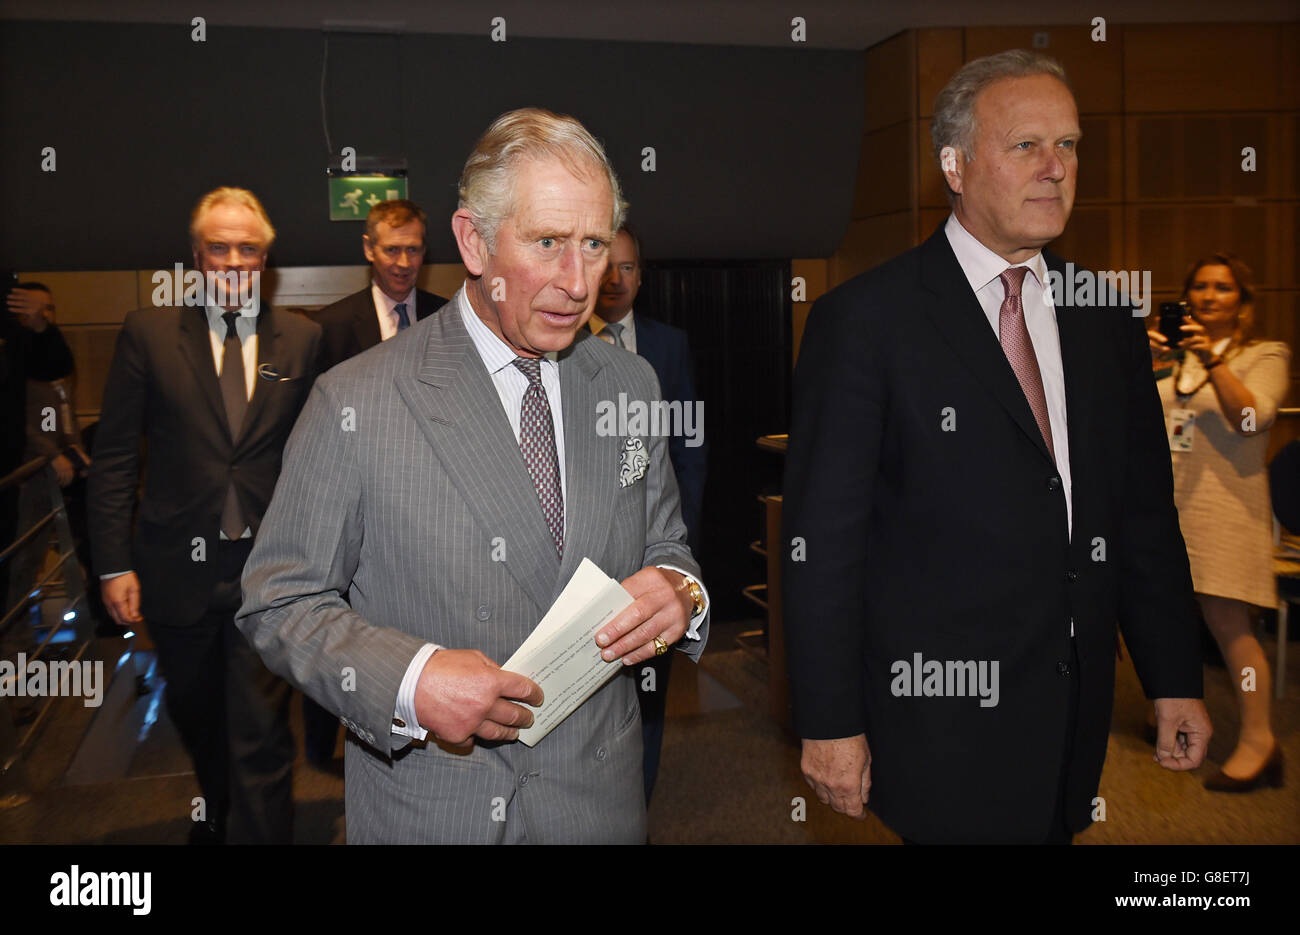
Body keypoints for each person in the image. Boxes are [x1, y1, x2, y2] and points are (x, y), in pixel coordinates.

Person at [236, 108, 709, 844]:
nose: (578, 281)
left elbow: (668, 544)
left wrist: (683, 592)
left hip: (600, 806)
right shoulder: (356, 400)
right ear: (473, 241)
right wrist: (409, 679)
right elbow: (277, 601)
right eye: (548, 242)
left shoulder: (631, 385)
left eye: (594, 245)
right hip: (436, 812)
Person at [783, 50, 1212, 845]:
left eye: (1071, 145)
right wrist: (830, 719)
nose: (1057, 168)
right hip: (937, 720)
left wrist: (1174, 676)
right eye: (1027, 146)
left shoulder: (1104, 318)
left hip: (1074, 717)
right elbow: (823, 546)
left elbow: (1143, 518)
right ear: (955, 164)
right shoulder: (867, 323)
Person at [88, 188, 322, 844]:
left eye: (247, 249)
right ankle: (219, 811)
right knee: (198, 720)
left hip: (267, 572)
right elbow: (113, 459)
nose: (233, 261)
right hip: (173, 572)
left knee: (263, 735)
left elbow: (319, 458)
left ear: (265, 259)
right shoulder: (148, 333)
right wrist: (112, 563)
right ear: (196, 258)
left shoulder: (301, 340)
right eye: (218, 248)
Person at [301, 199, 447, 767]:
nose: (404, 262)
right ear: (368, 249)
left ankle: (414, 732)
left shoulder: (448, 317)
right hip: (349, 507)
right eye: (393, 249)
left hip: (427, 508)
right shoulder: (329, 327)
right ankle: (323, 751)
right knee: (335, 626)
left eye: (414, 249)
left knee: (410, 627)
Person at [1148, 253, 1290, 792]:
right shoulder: (1168, 358)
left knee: (1231, 628)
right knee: (1167, 622)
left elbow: (1251, 418)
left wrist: (1211, 361)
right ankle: (1175, 717)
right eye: (1199, 288)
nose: (1209, 297)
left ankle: (1260, 741)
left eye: (1223, 288)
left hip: (1226, 512)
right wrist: (1141, 362)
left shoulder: (1264, 354)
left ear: (1242, 302)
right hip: (1169, 509)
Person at [588, 225, 707, 803]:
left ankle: (638, 807)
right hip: (580, 564)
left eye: (628, 268)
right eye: (607, 264)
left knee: (650, 696)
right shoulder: (556, 346)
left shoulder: (669, 345)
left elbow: (689, 454)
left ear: (641, 275)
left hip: (654, 560)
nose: (616, 279)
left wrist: (681, 556)